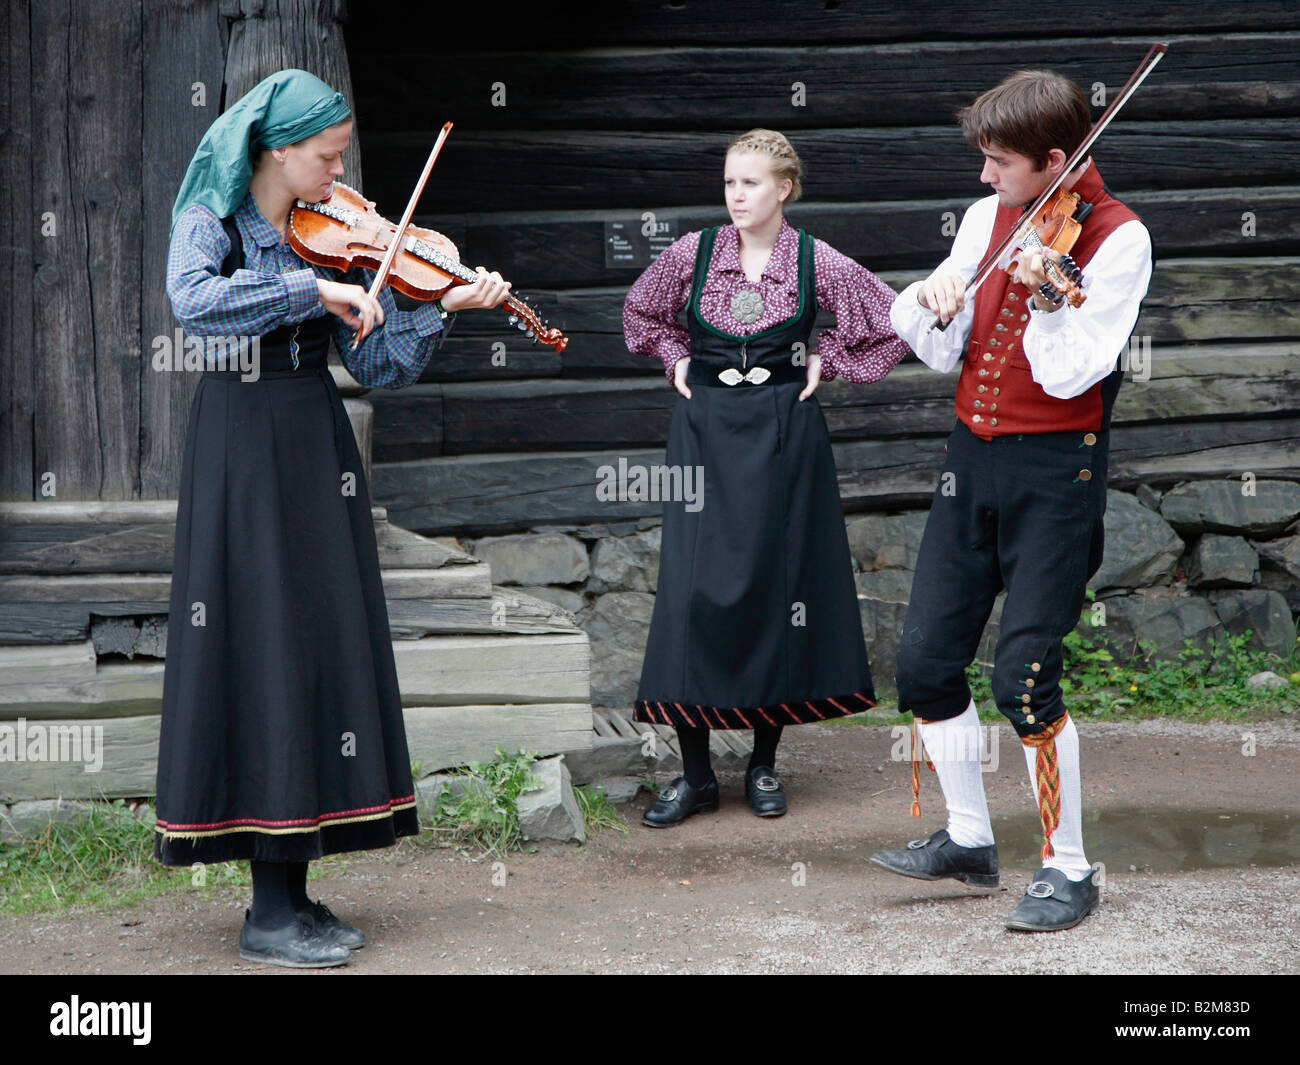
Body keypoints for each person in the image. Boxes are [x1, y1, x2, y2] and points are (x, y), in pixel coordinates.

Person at [155, 68, 510, 967]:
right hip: (240, 442)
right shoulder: (211, 217)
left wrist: (437, 307)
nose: (337, 169)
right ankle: (265, 911)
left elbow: (380, 367)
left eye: (340, 152)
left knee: (312, 644)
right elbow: (193, 304)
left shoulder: (334, 230)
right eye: (326, 153)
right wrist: (306, 294)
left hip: (312, 441)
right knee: (260, 644)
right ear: (279, 150)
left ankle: (296, 892)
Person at [872, 70, 1153, 931]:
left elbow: (1075, 371)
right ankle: (968, 838)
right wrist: (932, 296)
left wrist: (1045, 294)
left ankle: (1069, 867)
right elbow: (941, 336)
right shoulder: (985, 219)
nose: (985, 177)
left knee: (1024, 678)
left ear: (1055, 160)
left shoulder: (1118, 239)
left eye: (998, 162)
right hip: (971, 461)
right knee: (923, 663)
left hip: (1055, 472)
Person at [624, 129, 910, 827]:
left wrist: (829, 359)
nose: (736, 195)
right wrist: (674, 359)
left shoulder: (816, 259)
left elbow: (893, 318)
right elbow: (639, 313)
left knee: (775, 588)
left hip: (785, 437)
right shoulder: (692, 255)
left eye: (750, 183)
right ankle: (693, 777)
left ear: (784, 187)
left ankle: (761, 764)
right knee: (694, 591)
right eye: (729, 183)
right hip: (704, 434)